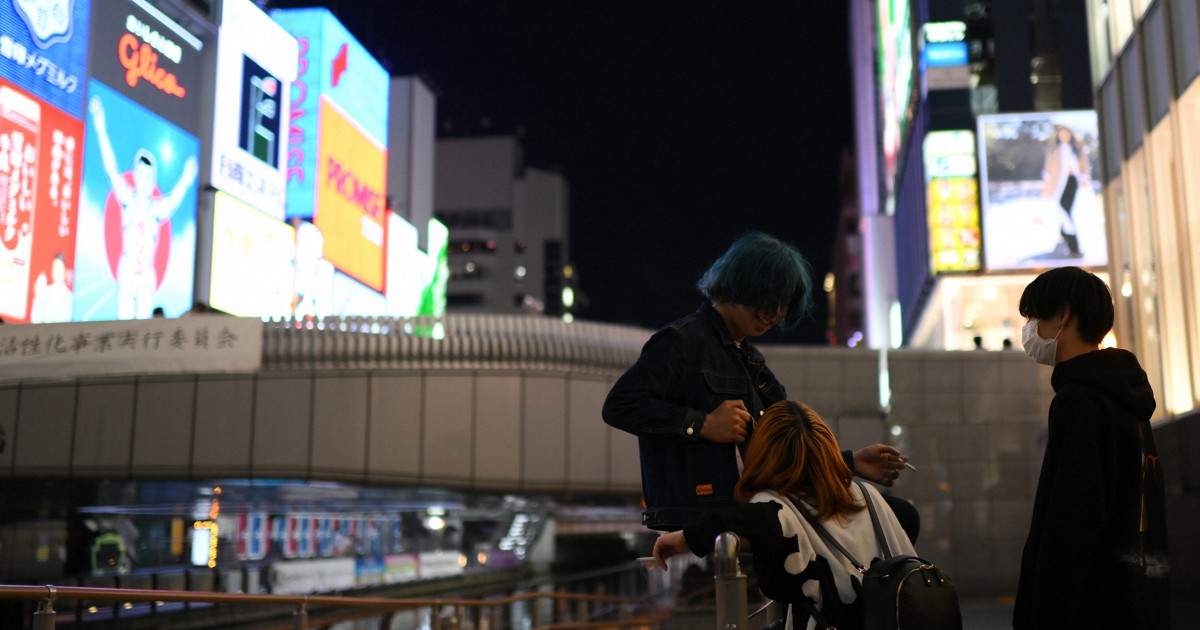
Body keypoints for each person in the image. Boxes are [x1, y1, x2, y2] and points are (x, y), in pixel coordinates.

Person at [602, 232, 917, 538]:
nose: (776, 315)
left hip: (758, 504)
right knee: (889, 520)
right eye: (770, 302)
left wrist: (848, 462)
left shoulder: (751, 360)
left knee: (898, 516)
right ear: (743, 284)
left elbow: (783, 449)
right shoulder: (683, 341)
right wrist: (703, 424)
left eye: (784, 306)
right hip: (712, 512)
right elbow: (620, 404)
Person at [652, 400, 916, 629]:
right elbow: (909, 517)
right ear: (827, 449)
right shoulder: (867, 496)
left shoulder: (774, 510)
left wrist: (683, 538)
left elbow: (736, 522)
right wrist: (845, 463)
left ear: (763, 454)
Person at [1013, 266, 1169, 629]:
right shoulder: (1128, 399)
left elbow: (1072, 521)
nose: (1029, 330)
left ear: (1063, 314)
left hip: (1087, 608)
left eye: (1035, 317)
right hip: (1129, 600)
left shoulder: (1078, 400)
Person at [88, 95, 198, 320]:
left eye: (149, 177)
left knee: (142, 330)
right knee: (123, 329)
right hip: (127, 269)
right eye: (141, 174)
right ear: (135, 175)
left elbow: (175, 199)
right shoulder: (127, 198)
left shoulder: (156, 209)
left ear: (153, 179)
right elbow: (110, 168)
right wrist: (100, 127)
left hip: (146, 275)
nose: (145, 180)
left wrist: (186, 179)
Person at [1040, 125, 1089, 259]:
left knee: (1066, 210)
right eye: (1061, 134)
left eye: (1066, 133)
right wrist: (1046, 187)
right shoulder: (1055, 149)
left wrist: (1084, 177)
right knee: (1062, 209)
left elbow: (1084, 165)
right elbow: (1048, 169)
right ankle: (1072, 244)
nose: (1064, 136)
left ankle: (1071, 243)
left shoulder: (1077, 148)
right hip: (1058, 183)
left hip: (1073, 181)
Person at [30, 252, 74, 323]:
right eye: (54, 269)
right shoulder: (45, 291)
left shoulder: (70, 298)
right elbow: (35, 321)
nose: (56, 273)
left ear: (64, 272)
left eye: (59, 270)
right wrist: (37, 297)